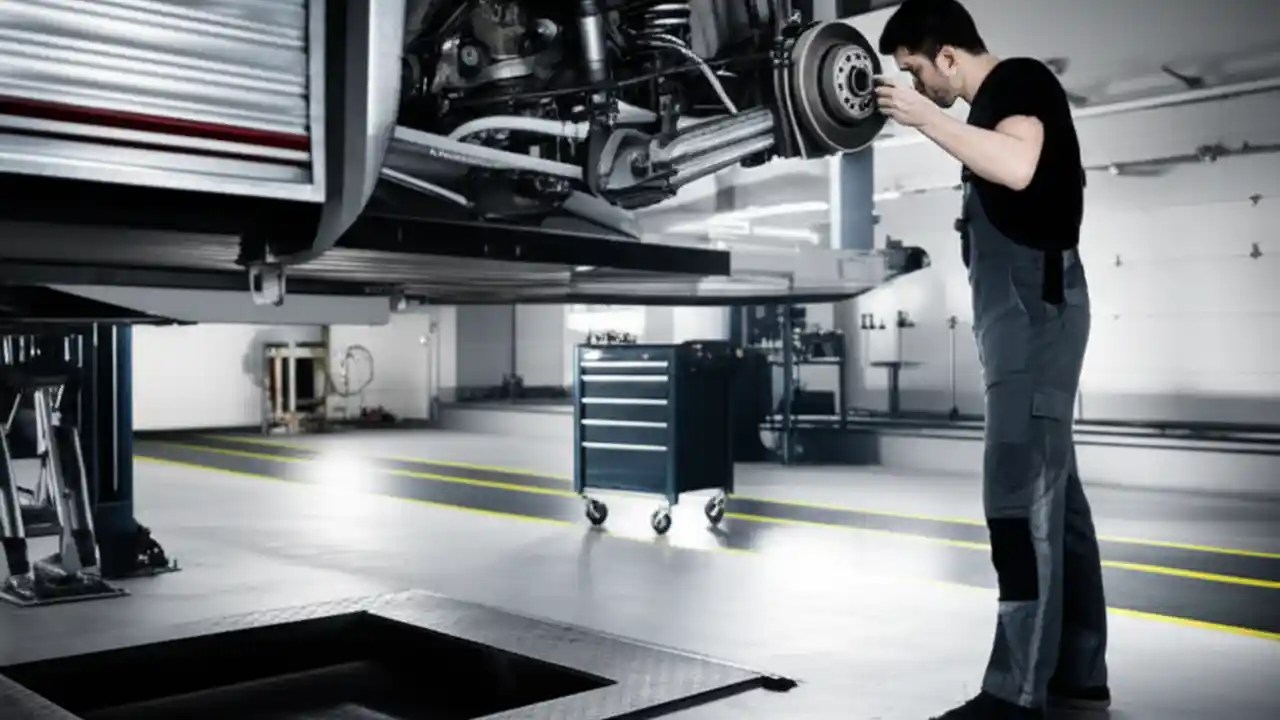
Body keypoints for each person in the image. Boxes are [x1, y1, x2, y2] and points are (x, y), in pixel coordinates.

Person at [873, 1, 1110, 718]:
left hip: (1035, 319)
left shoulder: (1019, 82)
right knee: (1056, 497)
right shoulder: (990, 109)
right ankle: (1077, 670)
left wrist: (924, 117)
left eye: (916, 69)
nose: (916, 84)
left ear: (947, 56)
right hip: (1022, 321)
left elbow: (1017, 164)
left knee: (1015, 498)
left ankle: (1015, 694)